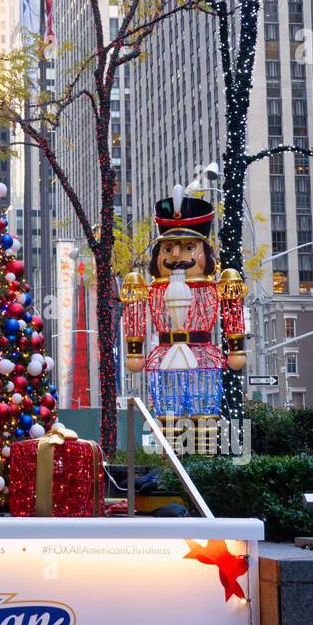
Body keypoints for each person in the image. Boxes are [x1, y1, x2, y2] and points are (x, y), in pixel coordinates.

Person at [120, 186, 247, 455]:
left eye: (189, 247)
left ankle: (203, 462)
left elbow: (232, 311)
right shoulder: (150, 288)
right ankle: (171, 463)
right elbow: (134, 316)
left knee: (205, 415)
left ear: (205, 253)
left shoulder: (216, 285)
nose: (177, 255)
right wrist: (134, 352)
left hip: (203, 356)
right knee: (168, 416)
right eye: (168, 248)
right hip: (165, 357)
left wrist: (237, 349)